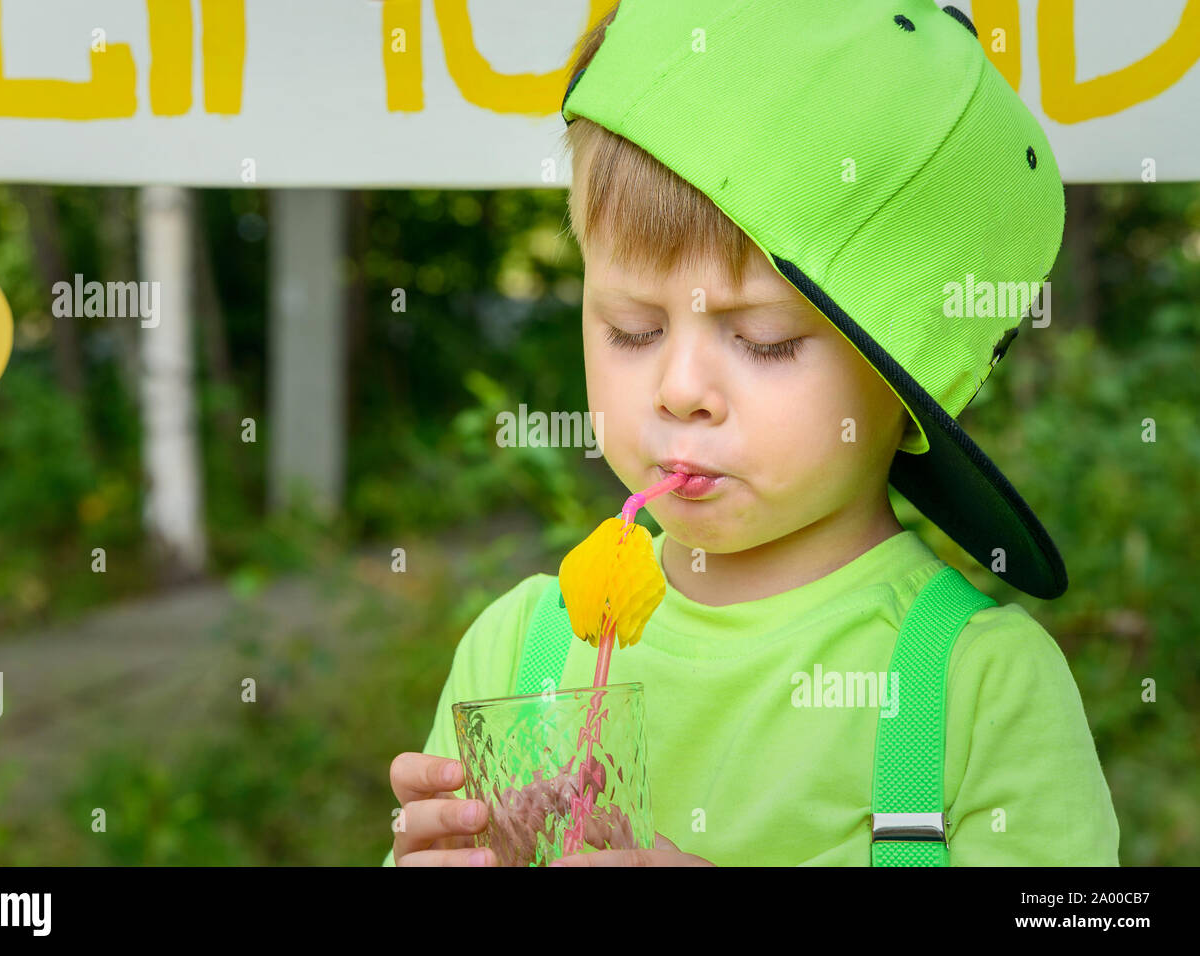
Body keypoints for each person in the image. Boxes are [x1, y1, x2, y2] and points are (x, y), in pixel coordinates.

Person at [386, 0, 1119, 866]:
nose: (680, 388)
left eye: (763, 340)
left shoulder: (978, 689)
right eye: (631, 327)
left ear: (904, 386)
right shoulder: (521, 652)